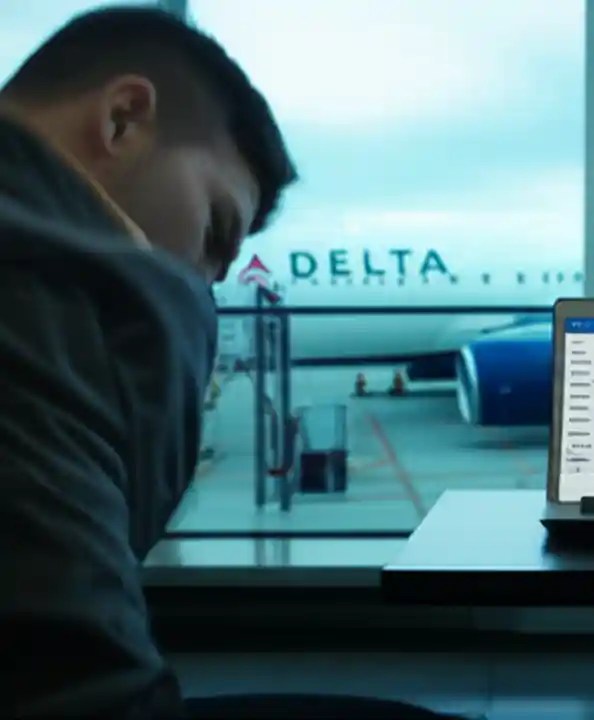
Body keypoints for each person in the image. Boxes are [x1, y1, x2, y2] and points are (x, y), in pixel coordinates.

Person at [0, 7, 473, 720]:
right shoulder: (38, 299)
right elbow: (83, 692)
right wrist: (159, 318)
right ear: (123, 119)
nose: (206, 281)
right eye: (215, 228)